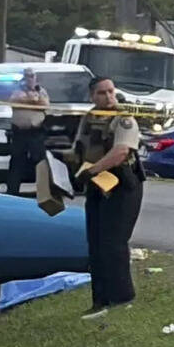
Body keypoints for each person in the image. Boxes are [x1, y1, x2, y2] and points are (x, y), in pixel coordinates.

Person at [75, 77, 145, 319]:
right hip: (97, 185)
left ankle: (122, 298)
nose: (108, 97)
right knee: (95, 243)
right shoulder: (89, 118)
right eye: (102, 93)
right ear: (92, 96)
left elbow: (121, 152)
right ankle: (100, 300)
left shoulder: (124, 119)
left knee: (114, 243)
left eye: (111, 91)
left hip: (122, 184)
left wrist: (93, 170)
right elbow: (79, 147)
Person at [6, 68, 50, 195]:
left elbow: (45, 104)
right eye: (27, 76)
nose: (30, 78)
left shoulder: (41, 91)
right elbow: (14, 101)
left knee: (40, 162)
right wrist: (34, 101)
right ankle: (12, 192)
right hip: (20, 133)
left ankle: (43, 192)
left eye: (32, 76)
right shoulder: (16, 90)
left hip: (36, 132)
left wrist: (30, 100)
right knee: (17, 162)